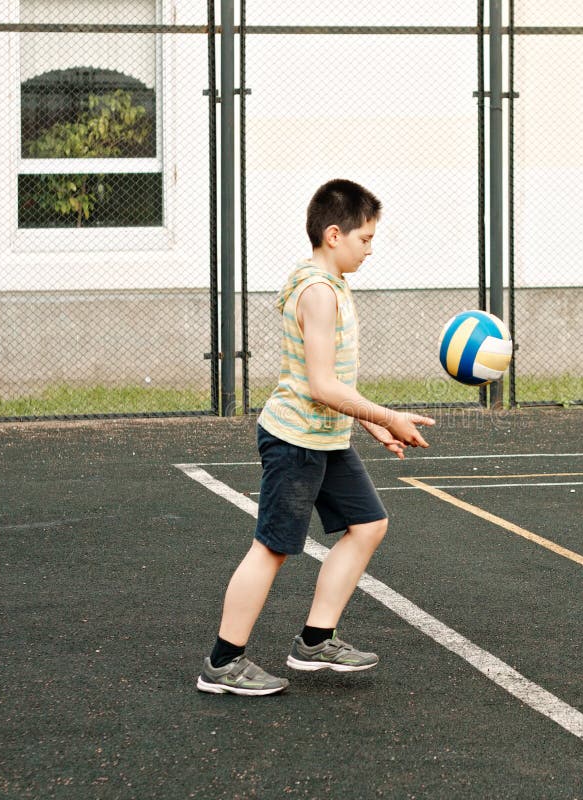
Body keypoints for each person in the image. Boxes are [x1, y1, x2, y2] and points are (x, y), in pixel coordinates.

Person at [197, 179, 435, 696]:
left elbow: (331, 380)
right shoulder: (318, 292)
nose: (371, 248)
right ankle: (223, 662)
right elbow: (321, 385)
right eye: (365, 238)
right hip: (297, 439)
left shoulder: (333, 283)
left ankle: (314, 641)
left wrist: (369, 422)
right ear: (334, 235)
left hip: (327, 436)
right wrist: (389, 415)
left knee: (368, 524)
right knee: (273, 547)